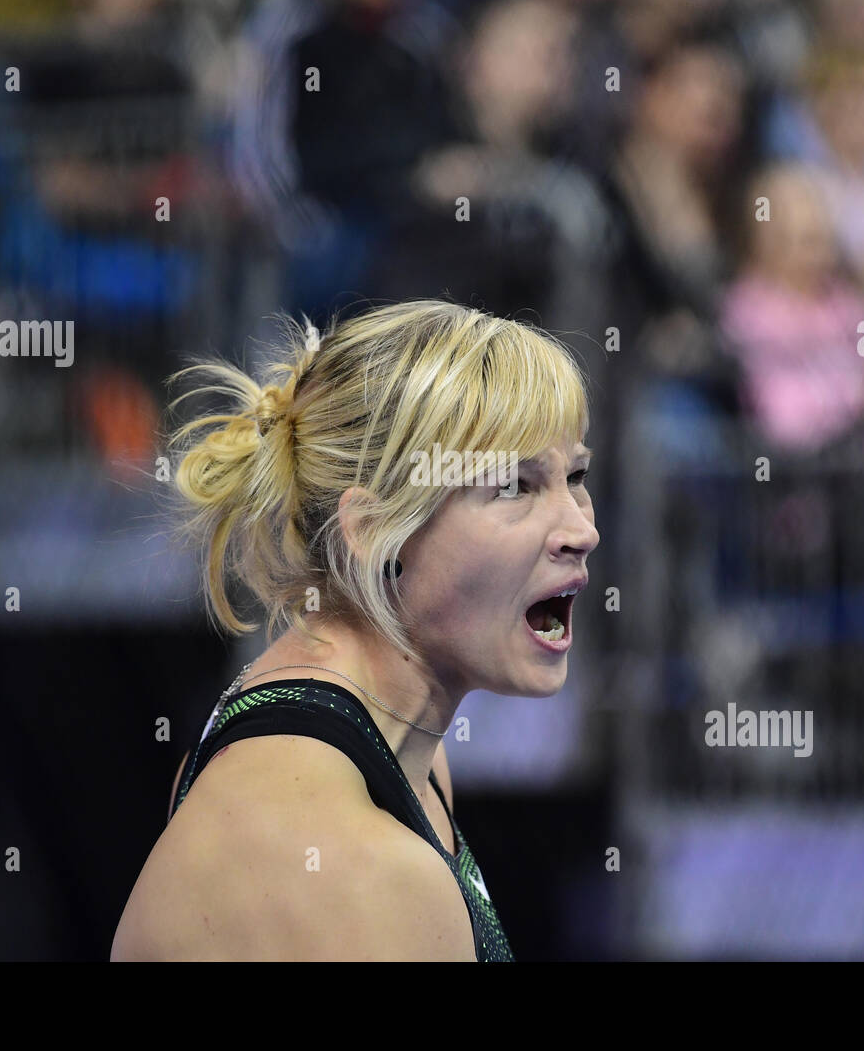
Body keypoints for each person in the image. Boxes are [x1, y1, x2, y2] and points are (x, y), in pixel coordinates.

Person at [111, 299, 600, 961]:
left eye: (575, 476)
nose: (581, 530)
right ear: (373, 531)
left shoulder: (391, 755)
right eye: (516, 485)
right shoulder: (351, 863)